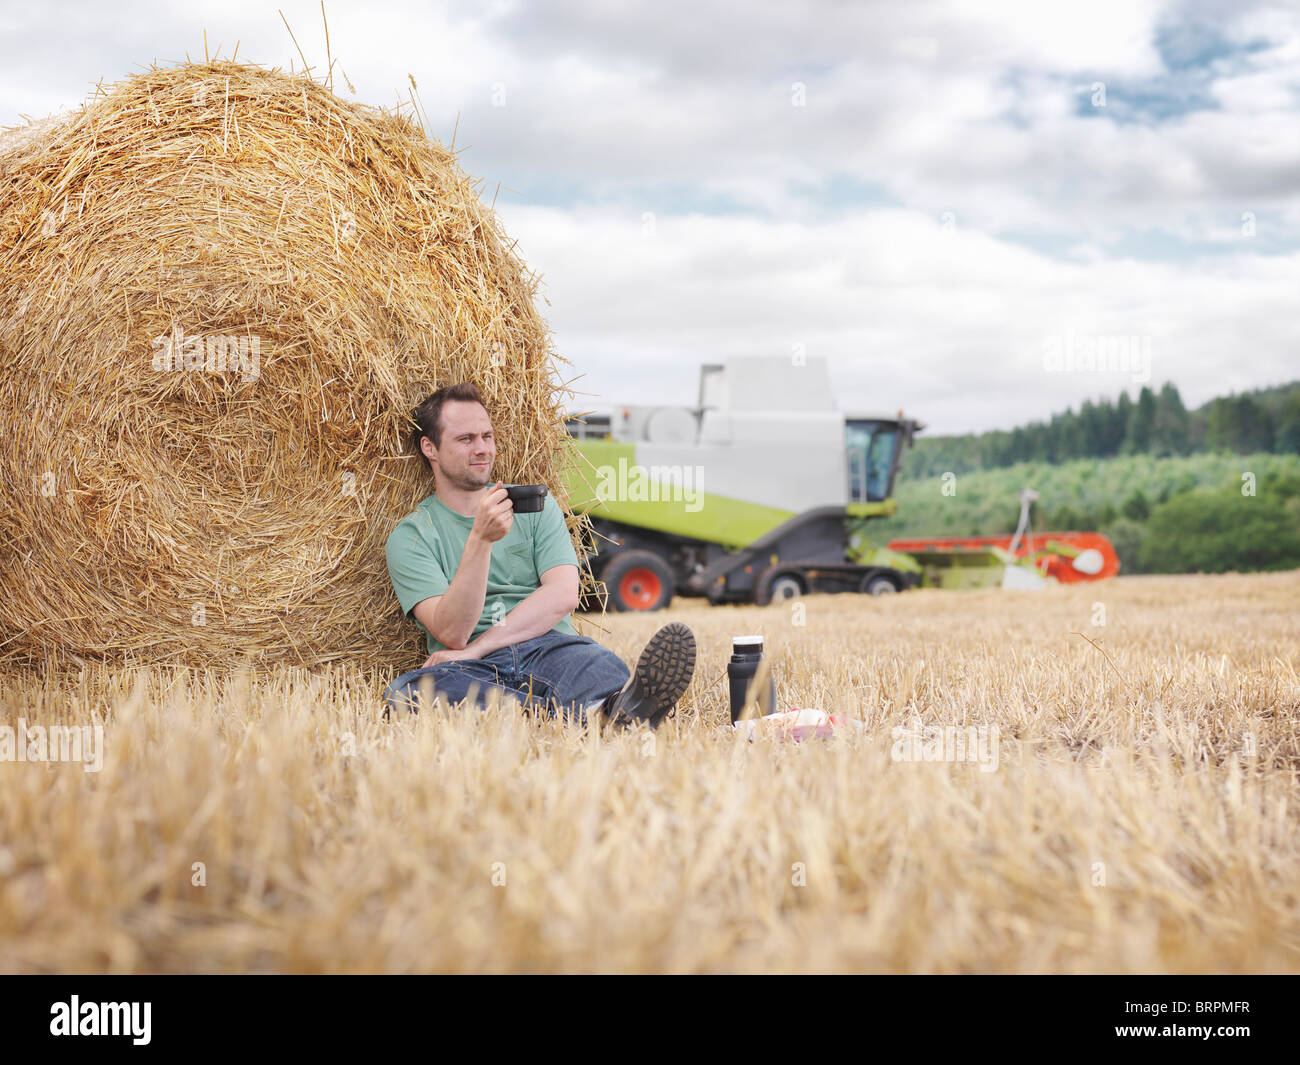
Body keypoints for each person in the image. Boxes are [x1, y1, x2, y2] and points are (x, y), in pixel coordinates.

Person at [382, 381, 695, 727]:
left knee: (599, 665)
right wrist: (480, 541)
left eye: (487, 436)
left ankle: (556, 712)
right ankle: (593, 715)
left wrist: (479, 645)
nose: (482, 448)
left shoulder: (535, 509)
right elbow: (453, 634)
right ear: (430, 448)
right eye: (466, 439)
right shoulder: (412, 537)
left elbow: (563, 595)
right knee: (408, 692)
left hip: (549, 648)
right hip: (471, 669)